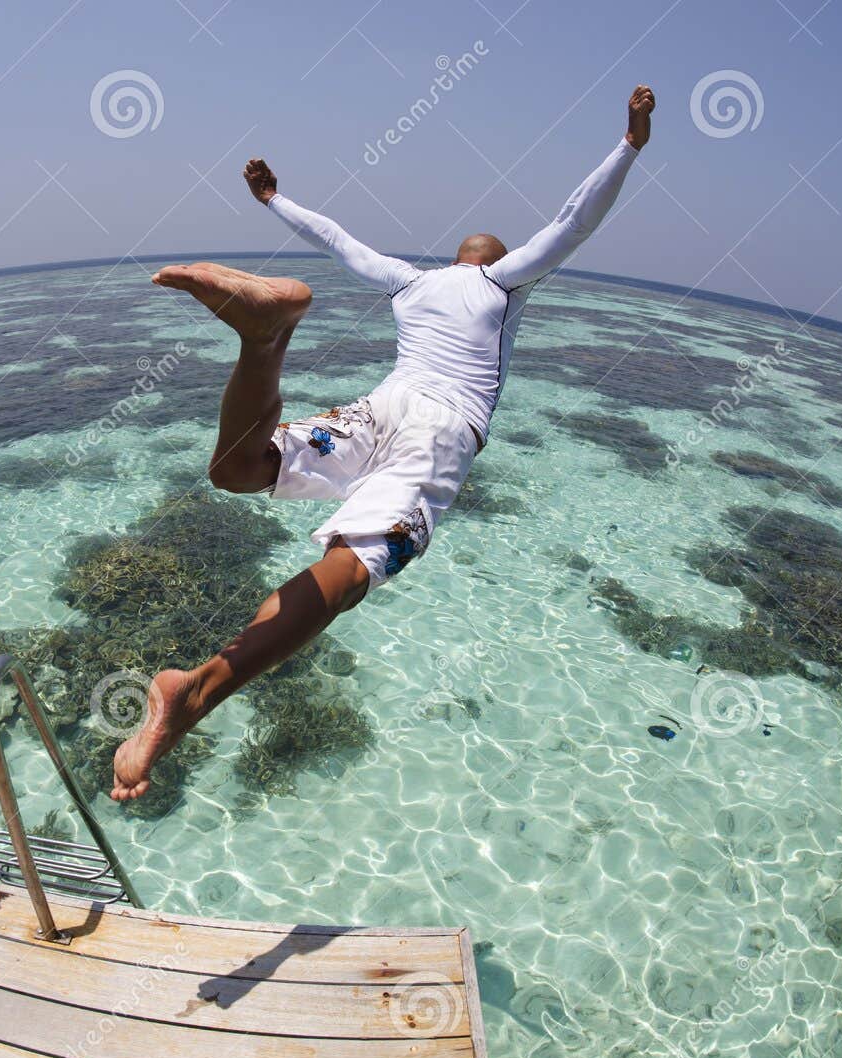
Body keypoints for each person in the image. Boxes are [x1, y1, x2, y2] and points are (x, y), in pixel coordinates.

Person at [112, 86, 656, 801]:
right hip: (440, 428)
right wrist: (630, 145)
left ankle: (264, 338)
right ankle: (198, 690)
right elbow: (572, 222)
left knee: (241, 468)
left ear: (452, 257)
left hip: (378, 406)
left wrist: (274, 200)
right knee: (351, 570)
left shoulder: (412, 280)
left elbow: (337, 239)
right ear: (491, 261)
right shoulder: (505, 281)